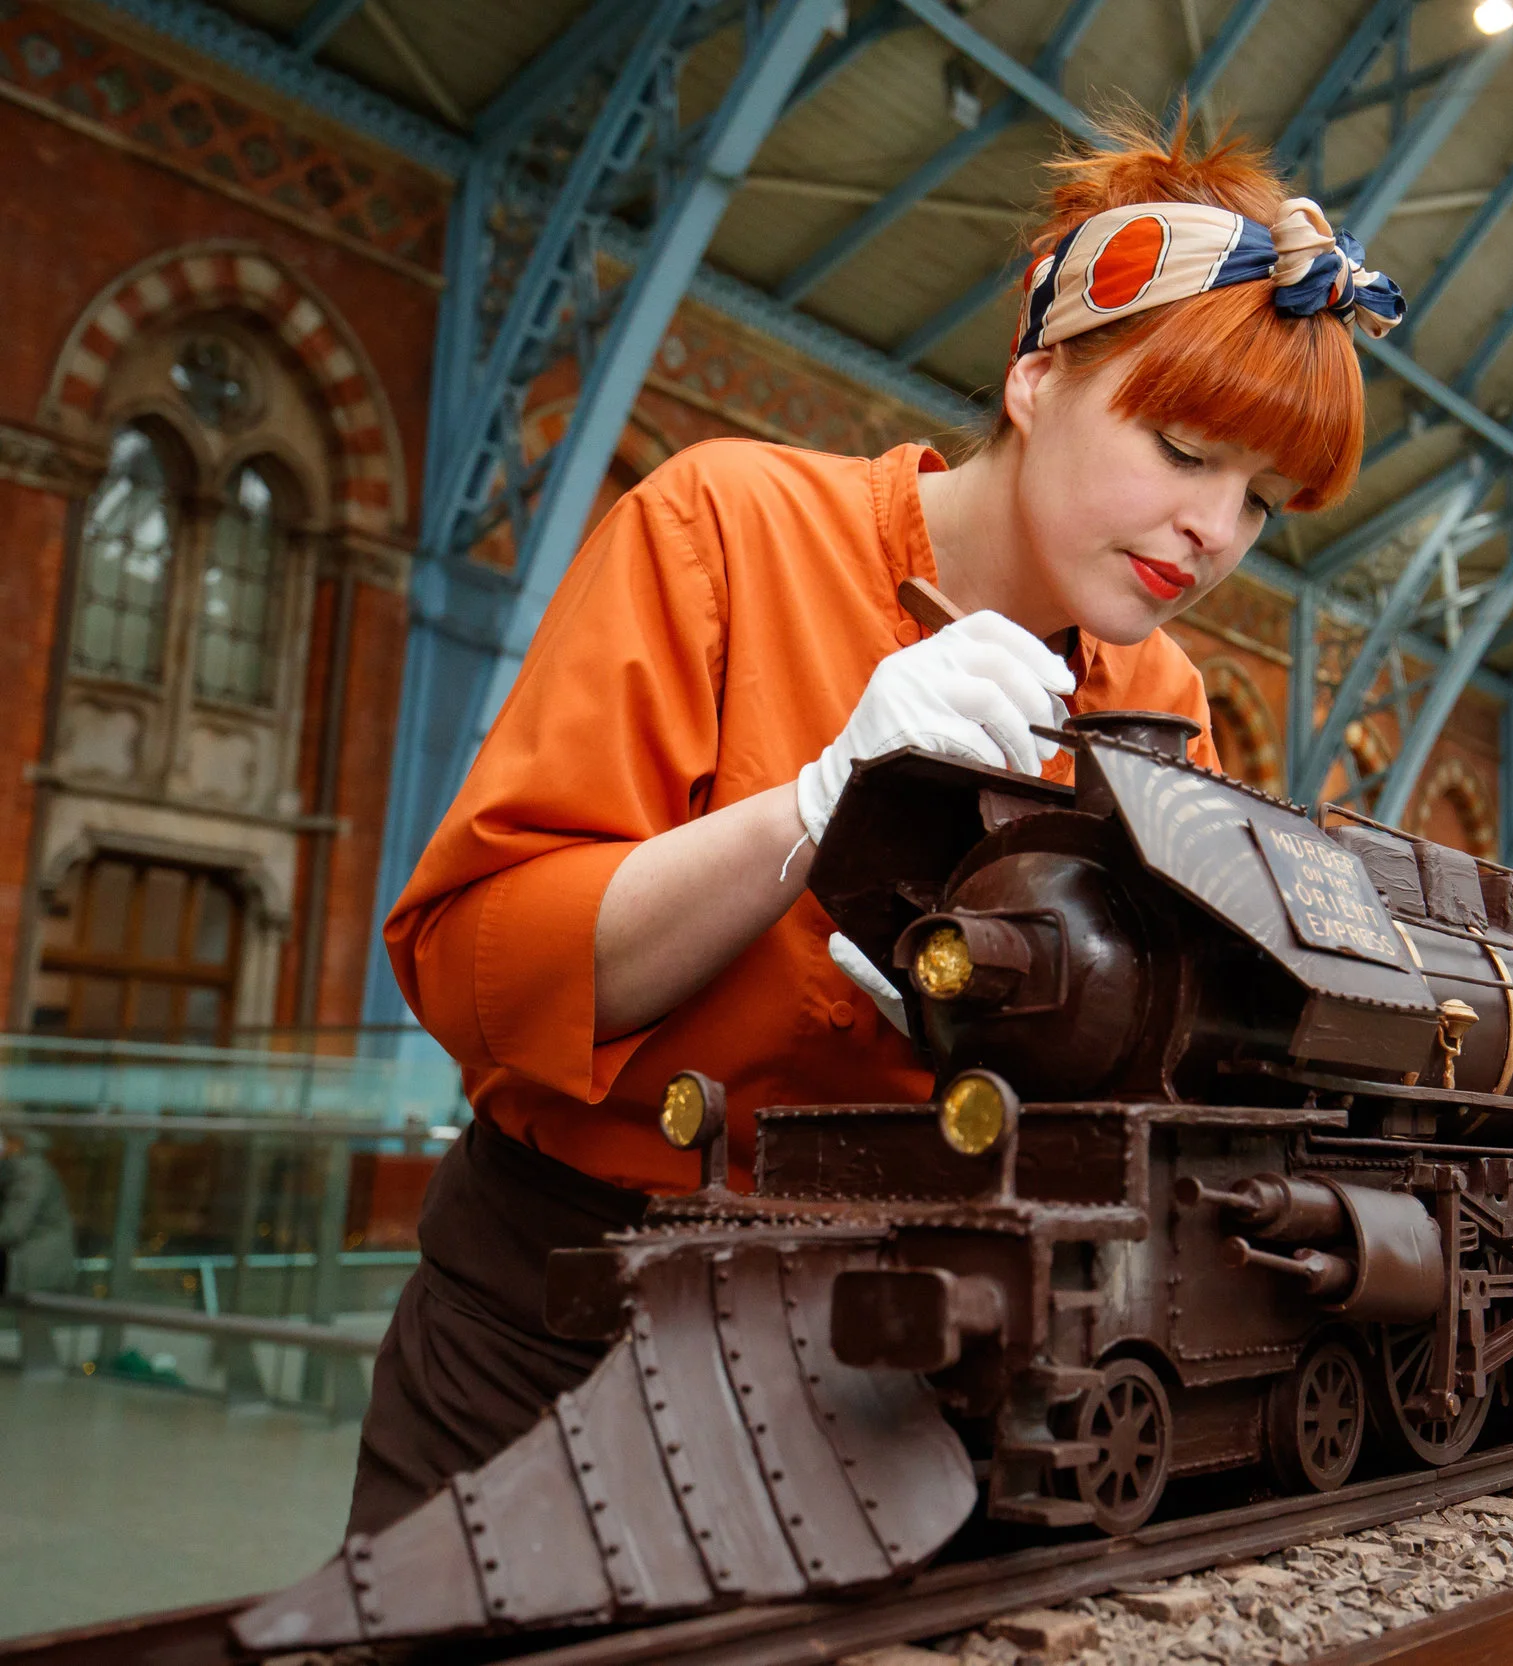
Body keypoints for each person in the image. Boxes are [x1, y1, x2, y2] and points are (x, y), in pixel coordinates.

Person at [347, 115, 1401, 1537]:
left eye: (1261, 502)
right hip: (552, 1331)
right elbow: (475, 966)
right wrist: (812, 805)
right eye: (1182, 447)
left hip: (901, 1361)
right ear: (1037, 376)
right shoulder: (721, 526)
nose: (1214, 528)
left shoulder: (1163, 701)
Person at [0, 1129, 77, 1300]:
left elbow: (13, 1228)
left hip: (37, 1263)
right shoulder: (16, 1168)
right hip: (32, 1262)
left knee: (34, 1321)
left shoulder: (30, 1172)